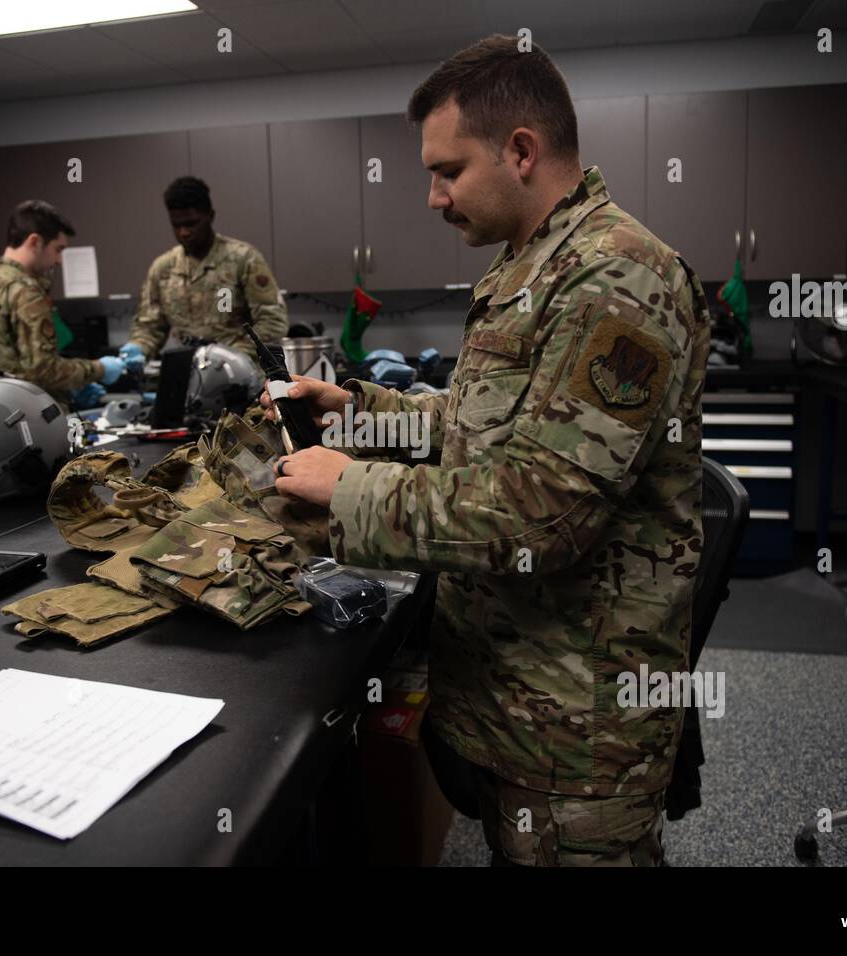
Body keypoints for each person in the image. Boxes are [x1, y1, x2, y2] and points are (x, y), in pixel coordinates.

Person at [263, 35, 710, 866]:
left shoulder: (618, 279)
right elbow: (480, 427)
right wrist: (359, 413)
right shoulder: (532, 267)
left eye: (447, 170)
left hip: (581, 724)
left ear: (522, 151)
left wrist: (352, 487)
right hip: (514, 692)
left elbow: (544, 512)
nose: (432, 196)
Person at [118, 177, 287, 374]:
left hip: (241, 378)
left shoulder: (243, 259)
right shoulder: (162, 268)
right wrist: (139, 347)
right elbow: (149, 326)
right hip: (188, 379)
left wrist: (229, 358)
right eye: (176, 225)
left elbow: (273, 322)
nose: (184, 233)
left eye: (191, 224)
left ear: (210, 215)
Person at [0, 200, 122, 409]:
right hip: (32, 420)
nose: (59, 260)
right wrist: (100, 369)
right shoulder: (25, 290)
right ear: (35, 242)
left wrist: (70, 387)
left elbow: (16, 363)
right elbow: (44, 368)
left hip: (0, 413)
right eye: (57, 249)